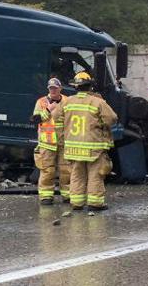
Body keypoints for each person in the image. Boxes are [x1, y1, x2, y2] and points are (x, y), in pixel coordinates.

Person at [51, 71, 118, 212]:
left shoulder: (67, 101)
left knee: (76, 174)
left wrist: (64, 132)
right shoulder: (98, 102)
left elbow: (55, 116)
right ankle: (95, 204)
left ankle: (76, 203)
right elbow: (111, 119)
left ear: (76, 87)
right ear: (90, 87)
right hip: (93, 147)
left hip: (73, 148)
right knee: (95, 174)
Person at [30, 78, 69, 205]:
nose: (53, 90)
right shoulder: (41, 102)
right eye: (51, 88)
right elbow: (35, 119)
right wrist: (48, 111)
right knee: (47, 171)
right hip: (47, 143)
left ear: (60, 89)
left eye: (55, 88)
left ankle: (67, 195)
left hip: (64, 143)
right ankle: (46, 196)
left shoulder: (67, 101)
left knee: (66, 170)